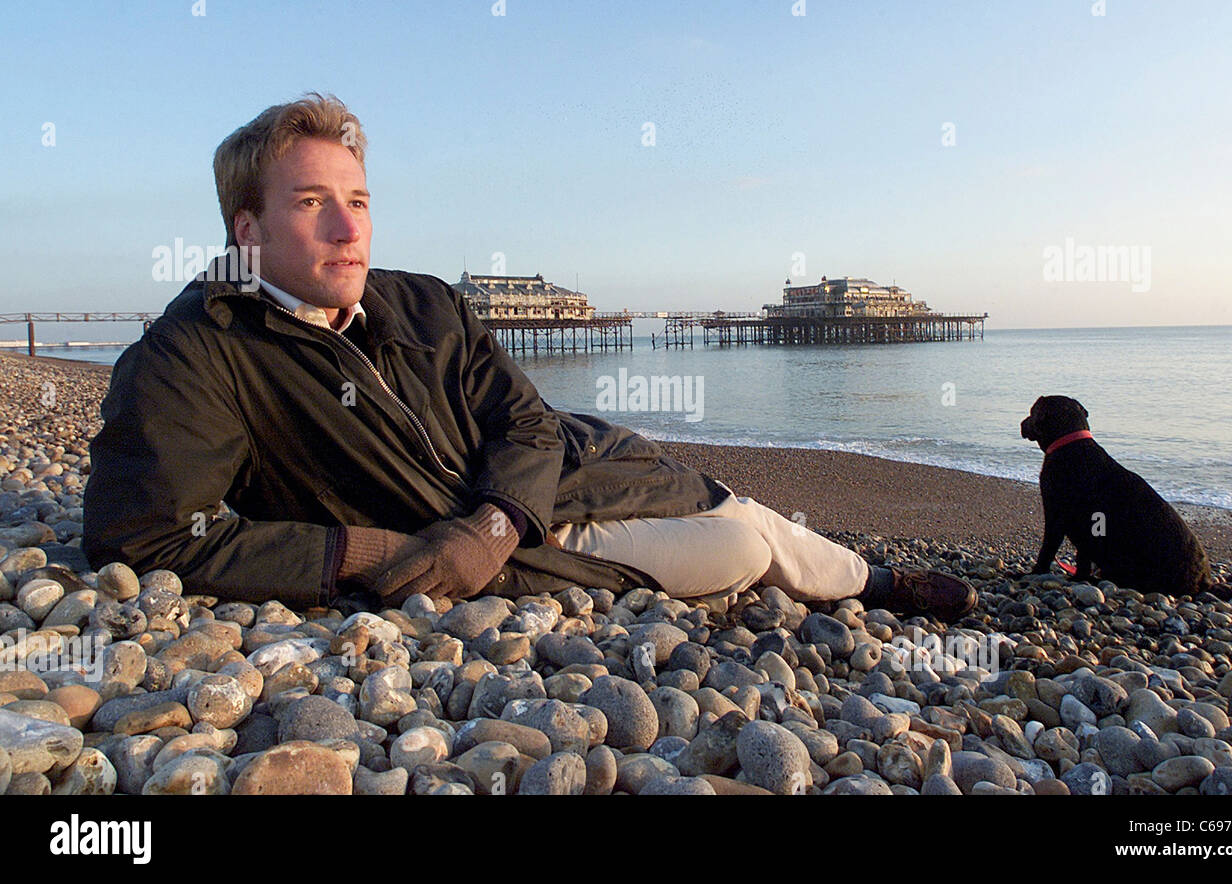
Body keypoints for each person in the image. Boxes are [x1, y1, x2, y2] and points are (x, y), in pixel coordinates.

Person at [82, 93, 976, 622]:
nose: (350, 227)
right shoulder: (194, 354)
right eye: (312, 202)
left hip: (541, 488)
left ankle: (878, 581)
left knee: (724, 497)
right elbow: (148, 533)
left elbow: (525, 418)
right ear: (247, 227)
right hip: (485, 545)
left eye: (358, 198)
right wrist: (358, 554)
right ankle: (868, 582)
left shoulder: (421, 299)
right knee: (739, 544)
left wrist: (499, 518)